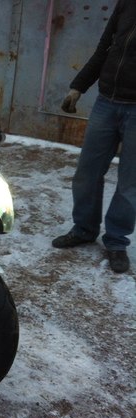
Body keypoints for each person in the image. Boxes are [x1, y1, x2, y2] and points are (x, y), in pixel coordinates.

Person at [52, 0, 135, 273]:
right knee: (87, 172)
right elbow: (105, 47)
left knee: (130, 182)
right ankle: (84, 229)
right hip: (106, 102)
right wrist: (78, 86)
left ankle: (117, 241)